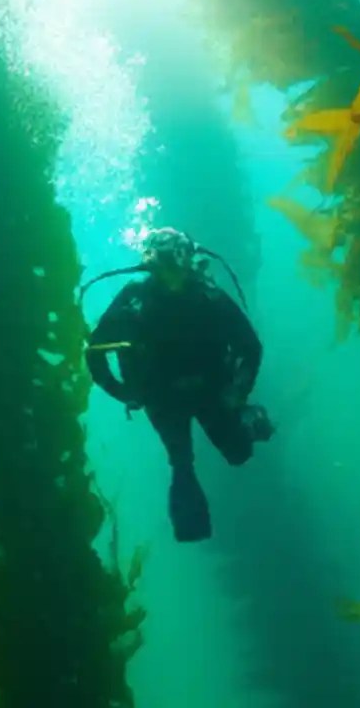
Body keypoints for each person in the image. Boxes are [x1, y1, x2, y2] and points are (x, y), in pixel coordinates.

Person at [82, 228, 274, 543]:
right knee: (181, 463)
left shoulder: (208, 296)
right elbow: (95, 351)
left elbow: (250, 346)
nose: (170, 272)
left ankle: (250, 420)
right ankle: (193, 532)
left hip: (211, 392)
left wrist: (238, 393)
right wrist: (122, 392)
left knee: (239, 454)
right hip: (162, 397)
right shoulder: (134, 299)